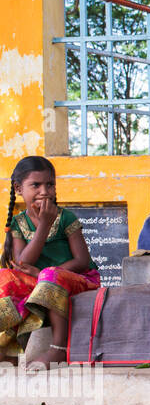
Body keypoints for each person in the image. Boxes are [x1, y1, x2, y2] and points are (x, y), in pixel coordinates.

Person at [0, 156, 99, 367]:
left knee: (49, 274)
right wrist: (43, 226)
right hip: (39, 280)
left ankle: (58, 349)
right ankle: (7, 347)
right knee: (4, 277)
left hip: (78, 278)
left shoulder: (66, 218)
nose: (44, 191)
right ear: (19, 189)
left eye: (50, 184)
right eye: (36, 185)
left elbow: (82, 260)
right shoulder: (18, 223)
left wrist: (42, 273)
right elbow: (22, 262)